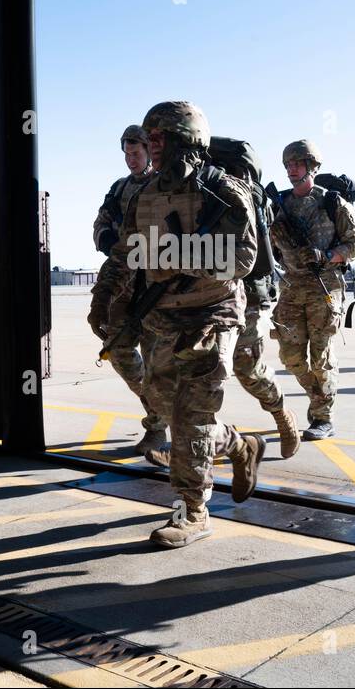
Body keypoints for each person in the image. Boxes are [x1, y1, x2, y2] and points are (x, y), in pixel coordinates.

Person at [92, 101, 264, 548]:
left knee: (191, 417)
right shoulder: (145, 196)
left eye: (159, 138)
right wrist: (102, 298)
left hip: (213, 314)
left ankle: (192, 511)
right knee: (164, 406)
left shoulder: (224, 192)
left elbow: (243, 260)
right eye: (149, 138)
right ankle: (240, 445)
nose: (152, 145)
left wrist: (174, 256)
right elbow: (126, 253)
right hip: (162, 316)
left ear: (185, 141)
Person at [268, 140, 355, 441]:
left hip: (326, 285)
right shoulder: (278, 205)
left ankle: (323, 417)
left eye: (296, 164)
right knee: (290, 356)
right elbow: (268, 248)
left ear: (311, 166)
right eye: (287, 165)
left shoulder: (332, 203)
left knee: (321, 355)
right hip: (292, 285)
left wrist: (328, 256)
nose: (290, 170)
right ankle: (317, 398)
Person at [88, 125, 168, 455]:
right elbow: (101, 221)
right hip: (123, 281)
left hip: (155, 286)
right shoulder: (119, 188)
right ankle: (159, 412)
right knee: (118, 350)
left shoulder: (163, 184)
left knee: (156, 359)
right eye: (126, 153)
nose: (130, 159)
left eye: (136, 153)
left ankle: (158, 428)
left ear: (150, 152)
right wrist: (105, 238)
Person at [220, 143, 301, 458]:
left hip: (253, 294)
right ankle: (195, 445)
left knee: (247, 366)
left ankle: (282, 414)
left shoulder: (252, 199)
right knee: (199, 369)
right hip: (217, 295)